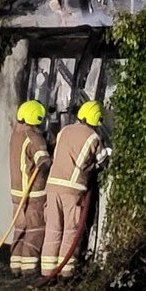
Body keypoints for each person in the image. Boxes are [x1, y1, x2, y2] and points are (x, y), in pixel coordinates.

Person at [42, 98, 108, 278]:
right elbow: (103, 162)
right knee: (70, 230)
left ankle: (47, 271)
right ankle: (66, 271)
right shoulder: (93, 137)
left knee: (53, 228)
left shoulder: (65, 130)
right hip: (72, 189)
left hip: (53, 185)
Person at [8, 100, 50, 275]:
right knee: (35, 230)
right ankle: (29, 270)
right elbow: (44, 163)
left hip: (18, 194)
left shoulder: (16, 135)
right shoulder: (33, 137)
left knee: (20, 231)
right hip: (33, 194)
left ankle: (15, 267)